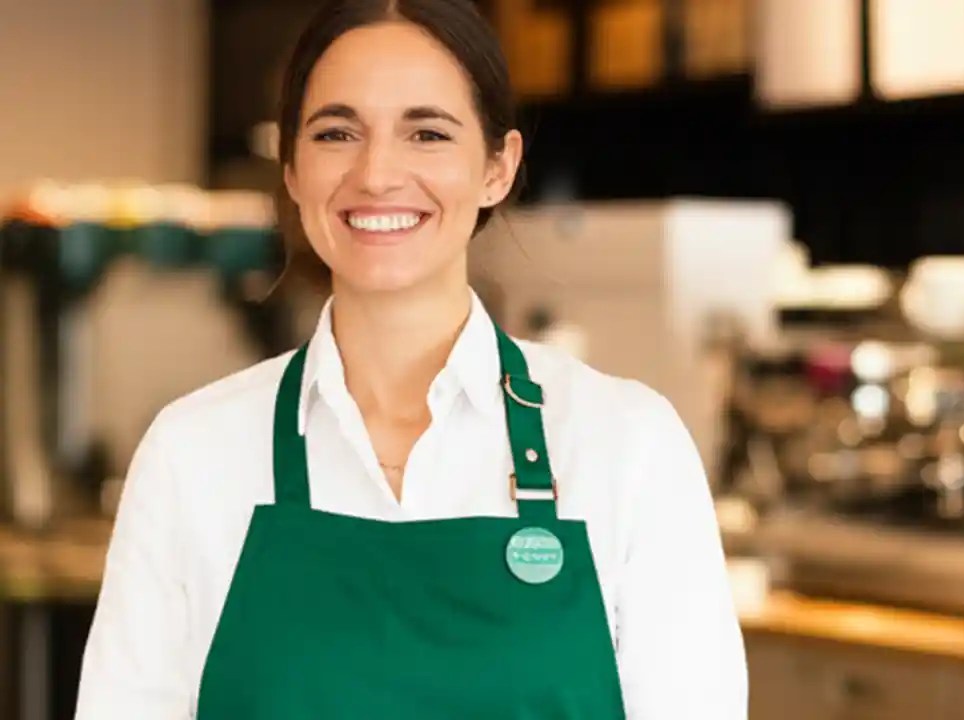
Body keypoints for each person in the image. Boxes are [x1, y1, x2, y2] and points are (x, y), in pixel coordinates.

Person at [73, 0, 747, 717]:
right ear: (293, 169)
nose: (377, 173)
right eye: (337, 132)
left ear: (498, 167)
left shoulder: (627, 445)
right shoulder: (191, 455)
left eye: (426, 133)